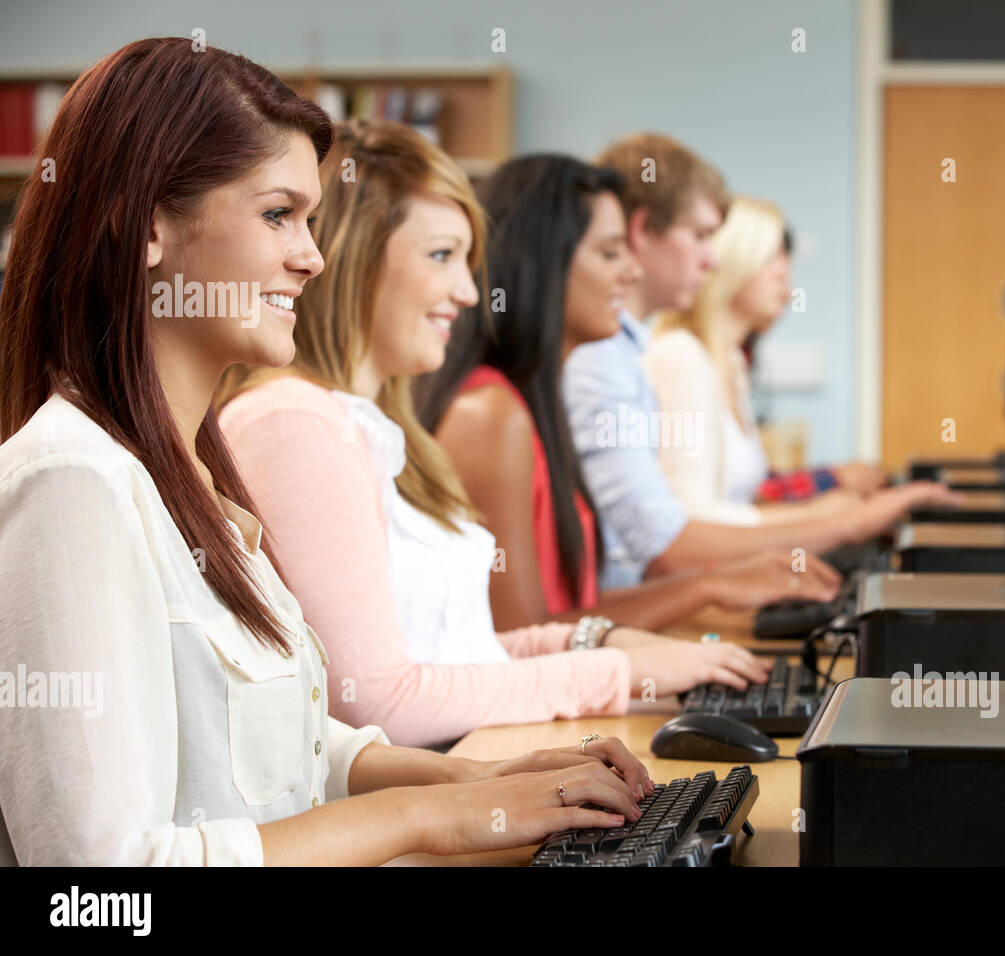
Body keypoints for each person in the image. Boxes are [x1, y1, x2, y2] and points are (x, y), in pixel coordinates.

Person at [0, 38, 650, 866]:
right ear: (146, 227)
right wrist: (429, 821)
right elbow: (96, 883)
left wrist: (484, 782)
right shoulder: (73, 481)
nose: (311, 255)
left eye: (310, 218)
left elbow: (295, 752)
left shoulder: (193, 477)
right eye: (278, 214)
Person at [217, 122, 770, 750]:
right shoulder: (295, 422)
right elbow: (375, 702)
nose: (467, 291)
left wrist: (592, 644)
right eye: (441, 256)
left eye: (468, 261)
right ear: (355, 258)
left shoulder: (377, 430)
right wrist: (613, 671)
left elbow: (455, 651)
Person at [421, 154, 841, 632]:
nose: (632, 271)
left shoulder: (540, 399)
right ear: (545, 264)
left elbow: (566, 612)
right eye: (609, 253)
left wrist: (713, 585)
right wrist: (707, 587)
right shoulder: (493, 413)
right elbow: (524, 638)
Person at [562, 132, 962, 588]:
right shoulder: (657, 358)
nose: (711, 259)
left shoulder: (671, 357)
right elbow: (670, 541)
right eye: (701, 236)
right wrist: (836, 520)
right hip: (641, 605)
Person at [646, 195, 892, 524]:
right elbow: (689, 518)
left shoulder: (730, 363)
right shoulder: (680, 356)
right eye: (771, 257)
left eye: (786, 260)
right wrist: (814, 516)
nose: (785, 276)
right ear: (729, 258)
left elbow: (746, 493)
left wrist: (830, 493)